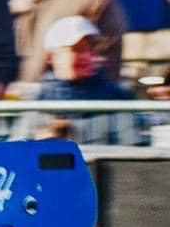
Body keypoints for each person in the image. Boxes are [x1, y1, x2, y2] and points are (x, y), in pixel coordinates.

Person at [15, 16, 152, 147]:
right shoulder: (36, 102)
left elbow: (131, 152)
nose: (84, 56)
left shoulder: (116, 97)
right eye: (73, 49)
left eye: (89, 49)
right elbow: (17, 153)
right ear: (51, 57)